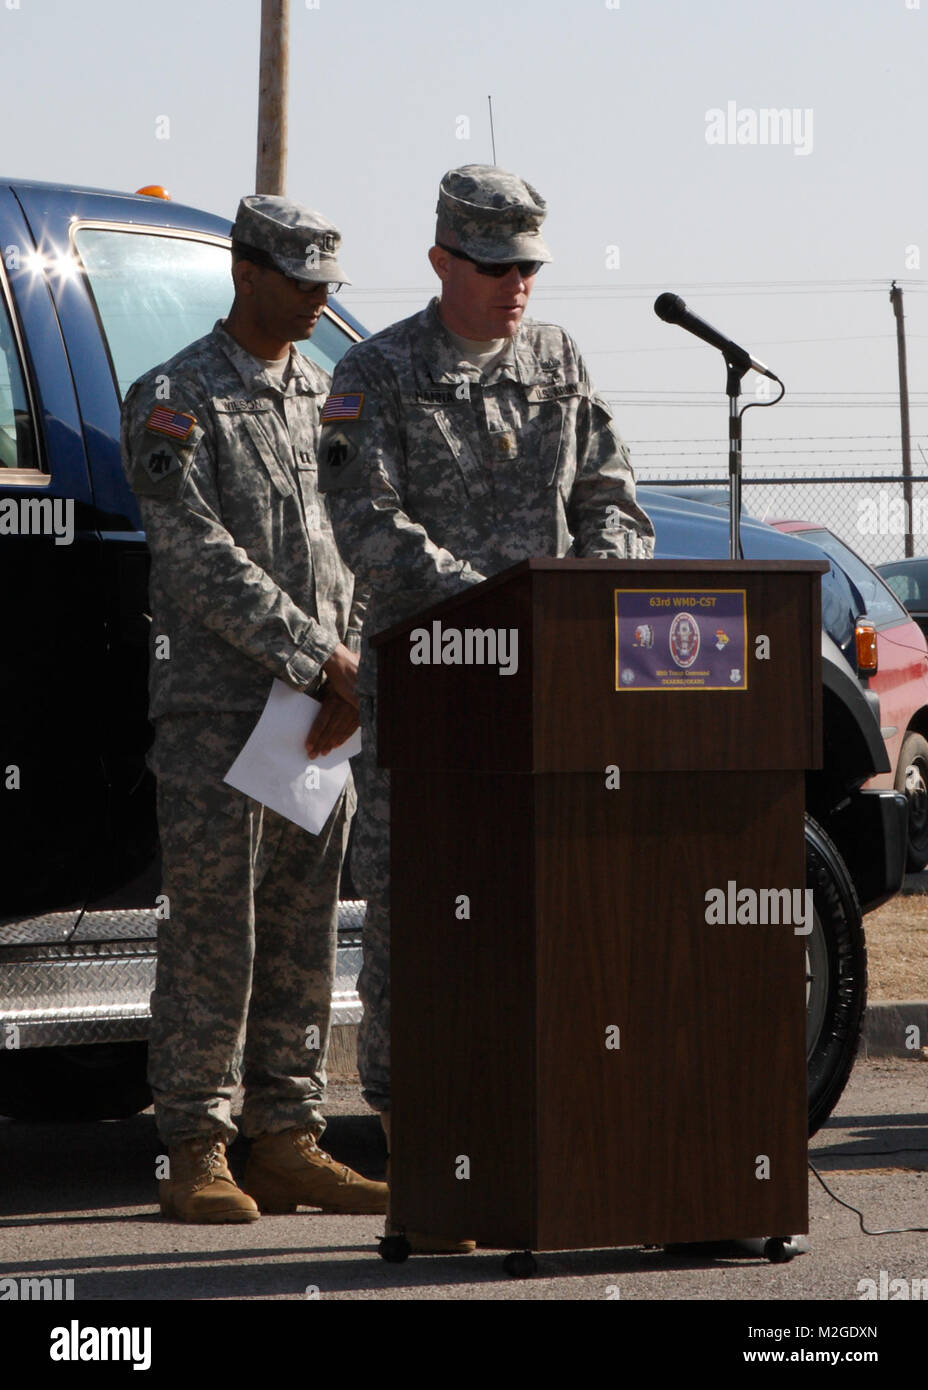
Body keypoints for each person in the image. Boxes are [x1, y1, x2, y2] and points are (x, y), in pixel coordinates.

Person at [317, 164, 654, 1243]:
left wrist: (592, 588)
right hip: (430, 704)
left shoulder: (559, 361)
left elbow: (612, 499)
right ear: (441, 262)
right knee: (422, 927)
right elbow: (363, 523)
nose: (517, 286)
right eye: (496, 265)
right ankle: (424, 1158)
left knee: (540, 924)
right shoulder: (375, 374)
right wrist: (493, 605)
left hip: (546, 712)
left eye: (530, 267)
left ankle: (532, 1148)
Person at [121, 194, 386, 1222]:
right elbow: (194, 555)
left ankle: (287, 1136)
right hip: (223, 711)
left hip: (319, 715)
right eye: (300, 277)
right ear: (244, 272)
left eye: (328, 280)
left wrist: (347, 668)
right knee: (213, 937)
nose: (319, 296)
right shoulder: (175, 397)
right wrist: (319, 657)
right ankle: (195, 1145)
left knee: (303, 932)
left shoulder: (324, 395)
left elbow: (355, 537)